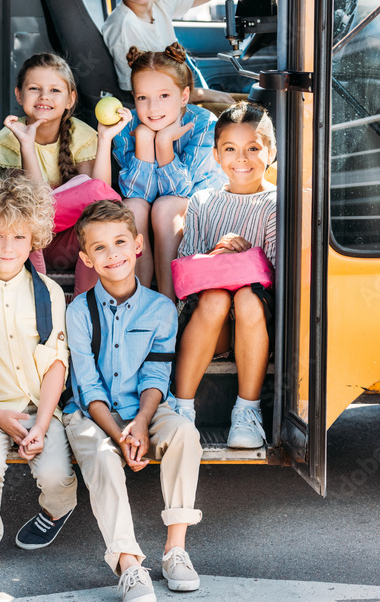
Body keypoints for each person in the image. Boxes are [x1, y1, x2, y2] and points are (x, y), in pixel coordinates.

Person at [63, 199, 203, 600]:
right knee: (103, 455)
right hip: (94, 414)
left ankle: (175, 550)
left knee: (182, 431)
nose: (113, 255)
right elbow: (87, 387)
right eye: (100, 248)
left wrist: (141, 422)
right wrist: (119, 435)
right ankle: (128, 563)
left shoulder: (160, 309)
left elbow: (156, 376)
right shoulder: (79, 312)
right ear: (87, 259)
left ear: (138, 245)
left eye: (120, 242)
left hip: (143, 407)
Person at [0, 174, 79, 573]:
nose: (8, 247)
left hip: (36, 409)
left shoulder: (46, 291)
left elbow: (55, 364)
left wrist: (42, 426)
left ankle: (57, 511)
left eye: (18, 237)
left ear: (34, 239)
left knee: (57, 479)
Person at [173, 101, 277, 449]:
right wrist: (217, 255)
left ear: (270, 152)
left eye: (253, 148)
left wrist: (248, 253)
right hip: (211, 324)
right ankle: (182, 409)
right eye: (230, 149)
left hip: (258, 324)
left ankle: (247, 412)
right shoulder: (203, 201)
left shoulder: (277, 203)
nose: (241, 158)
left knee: (247, 297)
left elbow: (280, 273)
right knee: (216, 296)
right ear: (216, 155)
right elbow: (186, 269)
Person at [0, 52, 130, 296]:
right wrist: (26, 145)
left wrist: (104, 138)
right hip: (31, 239)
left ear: (71, 99)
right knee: (25, 219)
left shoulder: (81, 135)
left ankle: (85, 304)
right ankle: (42, 299)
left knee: (99, 213)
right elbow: (30, 204)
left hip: (73, 241)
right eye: (34, 88)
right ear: (19, 94)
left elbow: (101, 202)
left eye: (54, 90)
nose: (44, 97)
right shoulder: (11, 136)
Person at [101, 0, 276, 105]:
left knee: (257, 101)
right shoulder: (122, 28)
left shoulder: (161, 1)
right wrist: (202, 94)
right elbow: (145, 96)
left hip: (182, 95)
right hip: (164, 110)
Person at [112, 43, 225, 301]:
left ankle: (168, 304)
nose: (152, 108)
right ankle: (137, 303)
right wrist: (144, 142)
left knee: (165, 207)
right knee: (132, 208)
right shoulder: (128, 126)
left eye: (164, 96)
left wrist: (163, 145)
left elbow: (182, 193)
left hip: (196, 210)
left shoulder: (204, 124)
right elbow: (137, 193)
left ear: (184, 96)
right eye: (143, 98)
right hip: (155, 208)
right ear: (134, 97)